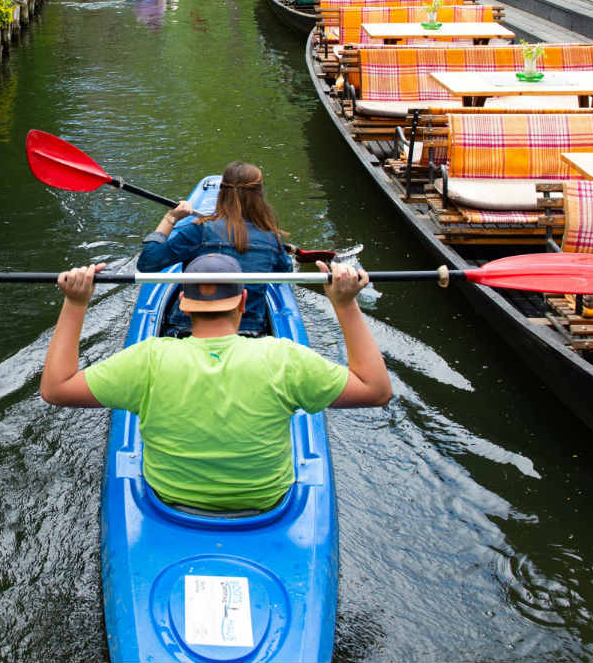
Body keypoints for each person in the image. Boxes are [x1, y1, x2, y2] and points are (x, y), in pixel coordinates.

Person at [39, 253, 392, 512]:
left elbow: (56, 388)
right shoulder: (285, 358)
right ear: (243, 301)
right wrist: (346, 305)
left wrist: (75, 303)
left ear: (182, 303)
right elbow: (376, 390)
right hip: (265, 505)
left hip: (171, 502)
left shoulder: (147, 359)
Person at [138, 162, 292, 338]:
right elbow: (284, 274)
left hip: (187, 327)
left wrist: (171, 218)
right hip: (249, 330)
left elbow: (147, 263)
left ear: (222, 193)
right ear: (259, 195)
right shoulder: (272, 238)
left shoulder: (197, 231)